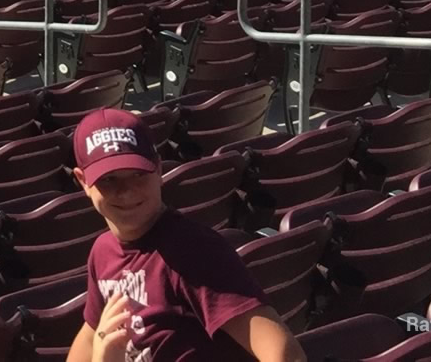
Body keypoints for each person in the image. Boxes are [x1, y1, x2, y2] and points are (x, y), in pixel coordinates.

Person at [70, 109, 304, 362]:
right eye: (109, 179)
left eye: (138, 174)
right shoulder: (103, 251)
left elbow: (284, 354)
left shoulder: (192, 249)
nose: (126, 192)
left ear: (158, 169)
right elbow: (90, 335)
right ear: (83, 182)